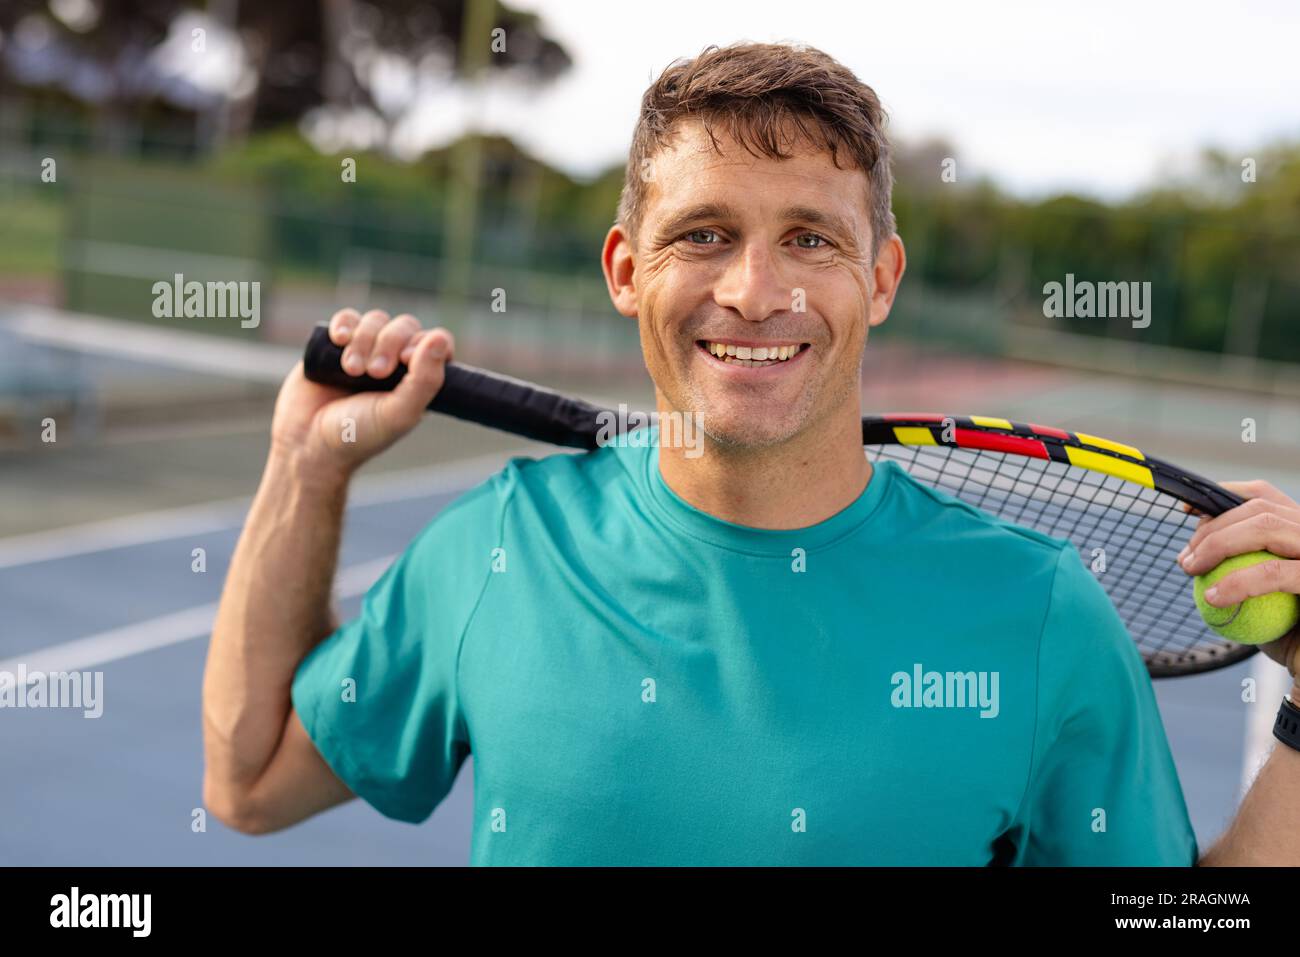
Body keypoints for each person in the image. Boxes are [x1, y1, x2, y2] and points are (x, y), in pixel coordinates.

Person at [202, 41, 1300, 865]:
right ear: (627, 270)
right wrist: (306, 464)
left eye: (810, 240)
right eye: (705, 234)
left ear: (879, 278)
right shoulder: (497, 545)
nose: (754, 292)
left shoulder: (1040, 610)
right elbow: (249, 783)